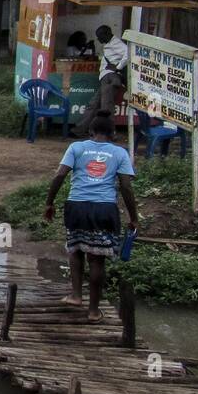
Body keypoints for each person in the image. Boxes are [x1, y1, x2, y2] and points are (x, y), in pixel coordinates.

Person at [43, 111, 137, 322]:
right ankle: (93, 310)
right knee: (97, 260)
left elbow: (60, 175)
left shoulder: (76, 148)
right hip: (104, 210)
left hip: (77, 206)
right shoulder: (120, 153)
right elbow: (126, 187)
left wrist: (49, 202)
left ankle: (76, 295)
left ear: (91, 131)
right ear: (113, 133)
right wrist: (134, 217)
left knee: (76, 250)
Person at [76, 25, 128, 134]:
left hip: (110, 77)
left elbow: (129, 54)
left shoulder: (116, 43)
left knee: (106, 107)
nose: (98, 39)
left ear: (107, 34)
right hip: (106, 77)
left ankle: (109, 133)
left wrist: (118, 67)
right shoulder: (109, 44)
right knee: (93, 105)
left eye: (100, 36)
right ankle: (79, 130)